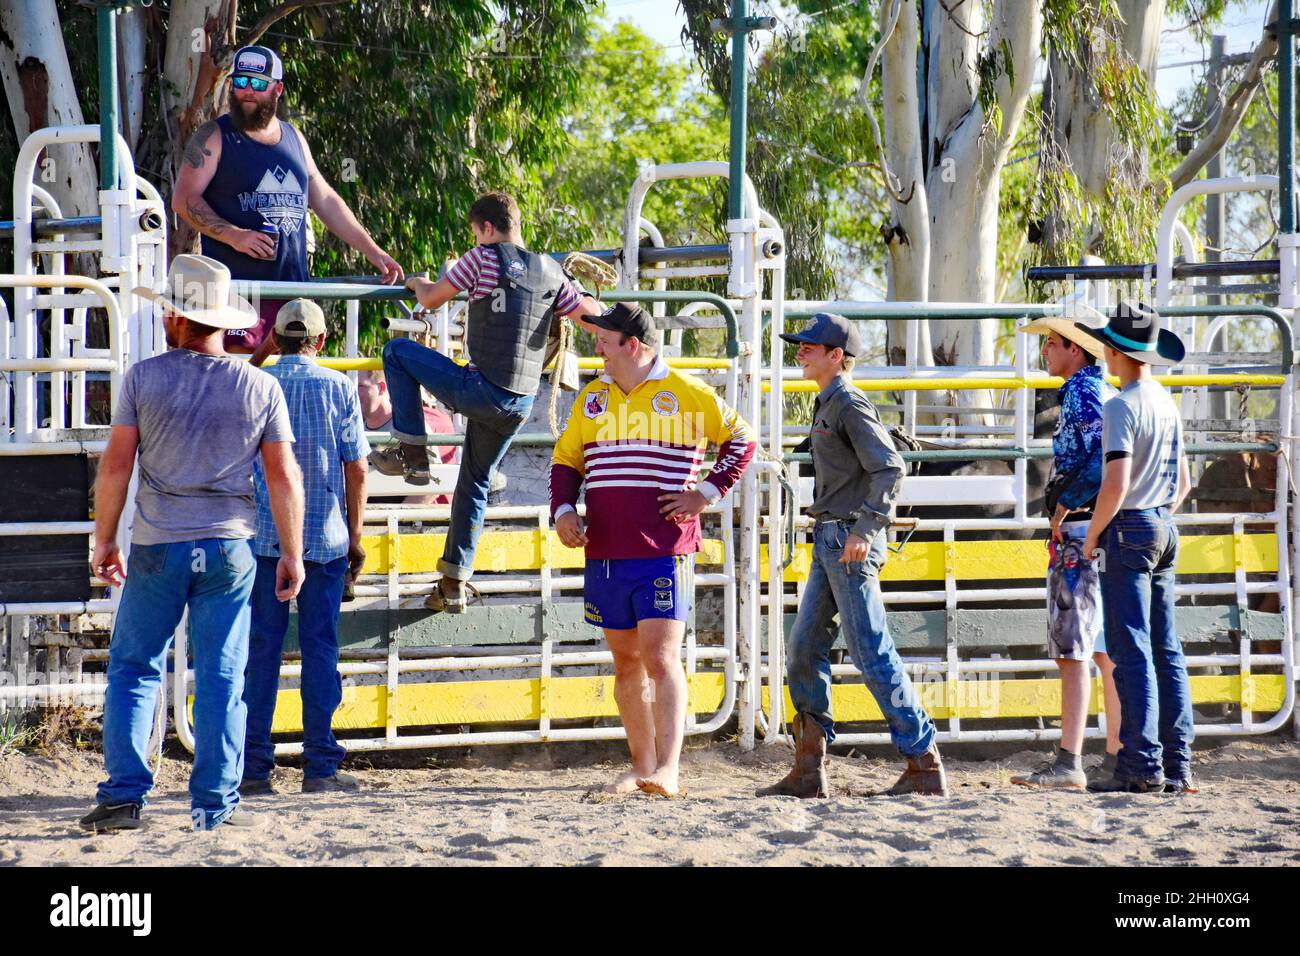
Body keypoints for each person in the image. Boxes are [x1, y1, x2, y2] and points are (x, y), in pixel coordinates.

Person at [80, 255, 304, 832]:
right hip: (230, 547)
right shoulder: (260, 387)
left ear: (177, 317)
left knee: (135, 667)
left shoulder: (144, 379)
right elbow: (283, 477)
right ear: (220, 320)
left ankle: (125, 796)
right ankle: (213, 803)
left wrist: (106, 540)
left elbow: (116, 469)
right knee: (223, 674)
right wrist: (293, 552)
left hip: (159, 542)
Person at [551, 304, 755, 797]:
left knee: (661, 658)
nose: (596, 347)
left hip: (664, 549)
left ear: (633, 345)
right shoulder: (592, 397)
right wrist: (563, 511)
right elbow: (566, 460)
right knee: (625, 663)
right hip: (604, 549)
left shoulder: (686, 392)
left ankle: (669, 769)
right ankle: (641, 766)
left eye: (604, 340)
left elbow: (743, 440)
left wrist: (705, 493)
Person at [384, 191, 601, 612]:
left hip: (481, 389)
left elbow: (431, 299)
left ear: (485, 228)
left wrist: (414, 282)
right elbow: (586, 314)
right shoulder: (551, 271)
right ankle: (453, 583)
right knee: (475, 482)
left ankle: (412, 453)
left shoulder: (480, 258)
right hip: (519, 400)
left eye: (477, 233)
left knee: (396, 353)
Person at [759, 313, 947, 798]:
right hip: (834, 537)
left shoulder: (845, 402)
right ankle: (810, 766)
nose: (800, 352)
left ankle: (923, 758)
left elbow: (889, 468)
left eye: (809, 346)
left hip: (845, 539)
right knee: (805, 648)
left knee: (870, 651)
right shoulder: (832, 402)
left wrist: (865, 526)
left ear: (835, 355)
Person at [171, 45, 403, 362]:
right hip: (242, 296)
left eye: (257, 83)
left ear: (277, 88)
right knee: (245, 383)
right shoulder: (214, 135)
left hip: (293, 298)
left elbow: (326, 199)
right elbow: (184, 199)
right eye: (240, 83)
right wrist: (233, 235)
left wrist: (374, 252)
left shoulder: (294, 138)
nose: (247, 92)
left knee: (292, 385)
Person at [241, 300, 369, 796]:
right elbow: (356, 468)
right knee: (320, 649)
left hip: (266, 538)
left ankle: (254, 767)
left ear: (276, 337)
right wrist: (355, 537)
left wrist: (262, 354)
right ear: (320, 341)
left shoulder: (258, 384)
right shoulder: (338, 386)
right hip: (325, 537)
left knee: (262, 652)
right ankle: (319, 766)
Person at [1080, 301, 1196, 794]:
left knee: (1131, 650)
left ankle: (1139, 764)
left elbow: (1116, 484)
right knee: (1166, 648)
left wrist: (1091, 534)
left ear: (1114, 351)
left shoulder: (1120, 406)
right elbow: (1184, 482)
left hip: (1129, 528)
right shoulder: (1166, 402)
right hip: (1164, 525)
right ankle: (1179, 764)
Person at [1013, 311, 1122, 789]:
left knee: (1074, 648)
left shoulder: (1081, 392)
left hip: (1080, 532)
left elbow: (1101, 460)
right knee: (1102, 649)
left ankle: (1068, 759)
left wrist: (1064, 505)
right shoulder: (1106, 391)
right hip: (1102, 529)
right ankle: (1116, 752)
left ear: (1074, 349)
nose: (1046, 352)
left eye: (1053, 343)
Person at [357, 368, 458, 505]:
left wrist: (396, 518)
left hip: (399, 521)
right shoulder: (356, 430)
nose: (354, 393)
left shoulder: (408, 427)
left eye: (361, 386)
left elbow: (433, 483)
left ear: (381, 388)